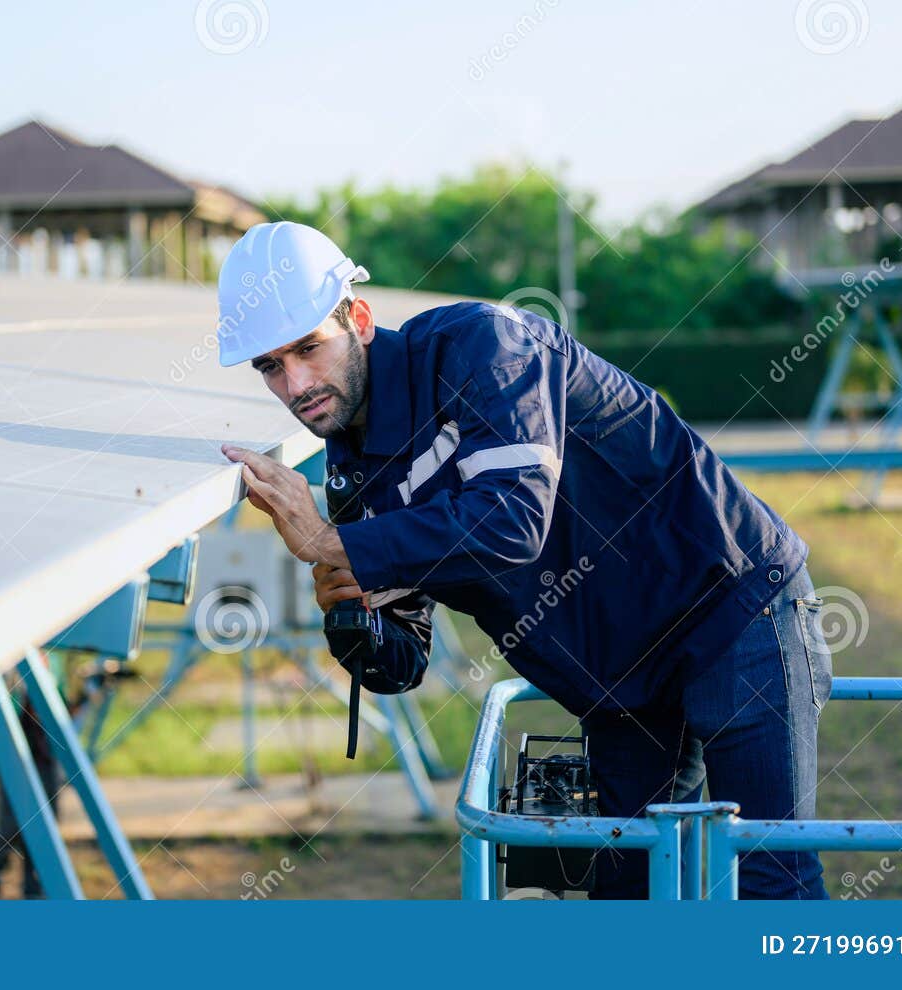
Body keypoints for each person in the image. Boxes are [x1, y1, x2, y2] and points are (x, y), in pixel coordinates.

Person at [216, 221, 831, 899]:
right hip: (622, 683)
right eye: (271, 366)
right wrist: (349, 606)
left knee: (773, 887)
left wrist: (337, 544)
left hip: (732, 609)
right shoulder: (352, 471)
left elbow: (513, 521)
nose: (297, 383)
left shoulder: (482, 347)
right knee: (629, 900)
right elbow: (401, 663)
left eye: (308, 348)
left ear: (358, 319)